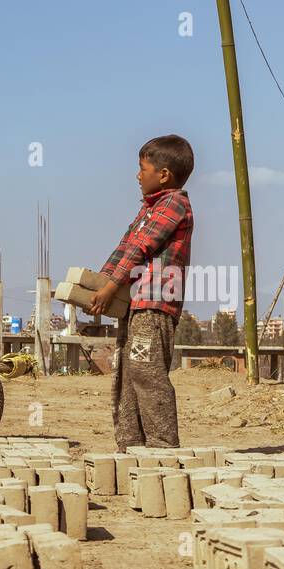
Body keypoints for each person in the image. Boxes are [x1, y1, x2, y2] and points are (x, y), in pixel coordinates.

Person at [87, 134, 195, 452]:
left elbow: (142, 247)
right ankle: (131, 444)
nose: (137, 175)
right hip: (136, 305)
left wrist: (110, 287)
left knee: (146, 370)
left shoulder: (175, 203)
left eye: (141, 168)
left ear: (163, 175)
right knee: (128, 372)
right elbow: (125, 248)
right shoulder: (148, 209)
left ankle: (162, 446)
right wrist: (97, 288)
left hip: (155, 304)